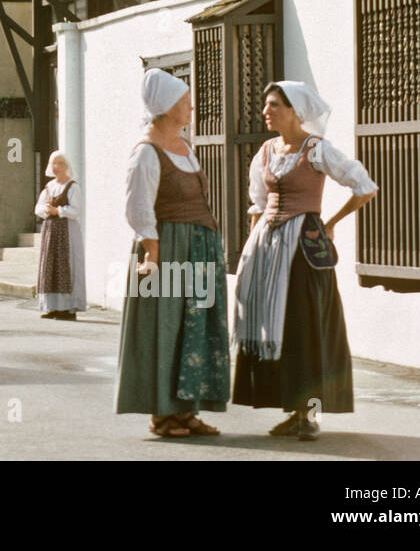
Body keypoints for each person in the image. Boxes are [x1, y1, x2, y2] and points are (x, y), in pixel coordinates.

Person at [232, 81, 377, 440]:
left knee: (305, 327)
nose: (266, 111)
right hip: (268, 247)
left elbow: (364, 186)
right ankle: (290, 410)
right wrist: (252, 249)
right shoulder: (266, 151)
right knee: (274, 325)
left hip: (303, 250)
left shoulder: (316, 150)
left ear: (295, 110)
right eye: (266, 105)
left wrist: (329, 223)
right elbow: (259, 201)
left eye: (274, 105)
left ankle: (309, 414)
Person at [116, 68, 230, 438]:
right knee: (164, 327)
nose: (191, 107)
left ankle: (186, 410)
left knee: (194, 329)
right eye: (184, 101)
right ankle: (162, 413)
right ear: (165, 107)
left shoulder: (185, 148)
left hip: (197, 248)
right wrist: (152, 252)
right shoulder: (146, 153)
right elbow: (139, 210)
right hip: (165, 249)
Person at [33, 151, 85, 320]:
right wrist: (46, 210)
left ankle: (68, 308)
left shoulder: (72, 187)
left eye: (61, 163)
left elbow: (76, 210)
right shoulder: (49, 187)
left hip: (66, 231)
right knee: (50, 267)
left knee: (65, 266)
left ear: (67, 166)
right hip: (50, 231)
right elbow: (38, 208)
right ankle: (52, 306)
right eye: (54, 163)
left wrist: (59, 211)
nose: (57, 167)